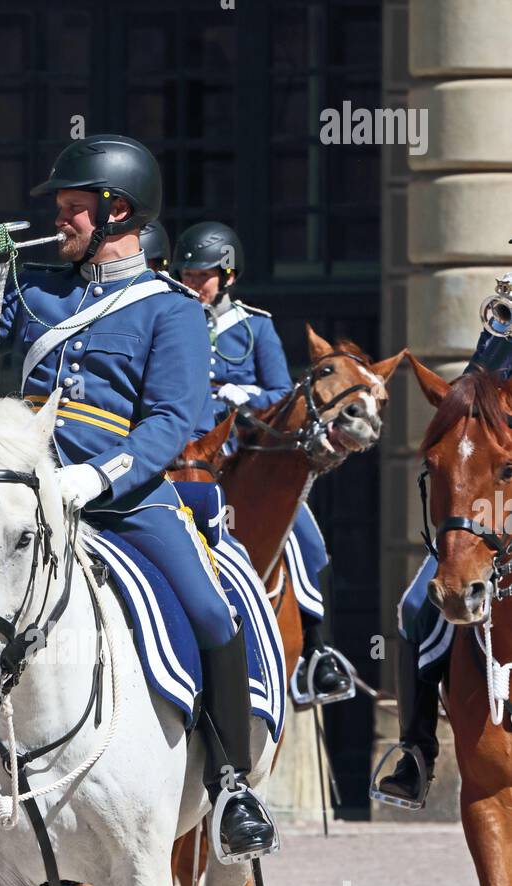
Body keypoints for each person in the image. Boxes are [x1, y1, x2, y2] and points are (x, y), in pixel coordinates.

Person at [0, 134, 276, 863]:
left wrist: (99, 476)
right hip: (21, 491)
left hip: (125, 499)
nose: (62, 221)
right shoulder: (36, 289)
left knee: (209, 608)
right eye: (65, 210)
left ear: (120, 214)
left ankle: (231, 785)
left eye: (76, 209)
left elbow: (173, 418)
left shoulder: (170, 310)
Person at [171, 219, 352, 703]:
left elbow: (279, 390)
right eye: (186, 275)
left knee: (309, 545)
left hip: (244, 454)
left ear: (228, 276)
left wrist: (242, 396)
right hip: (185, 457)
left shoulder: (256, 326)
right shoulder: (168, 316)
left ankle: (318, 652)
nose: (193, 284)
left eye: (202, 275)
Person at [373, 325, 512, 808]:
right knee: (414, 606)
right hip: (495, 512)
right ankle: (416, 752)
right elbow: (469, 398)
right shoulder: (500, 327)